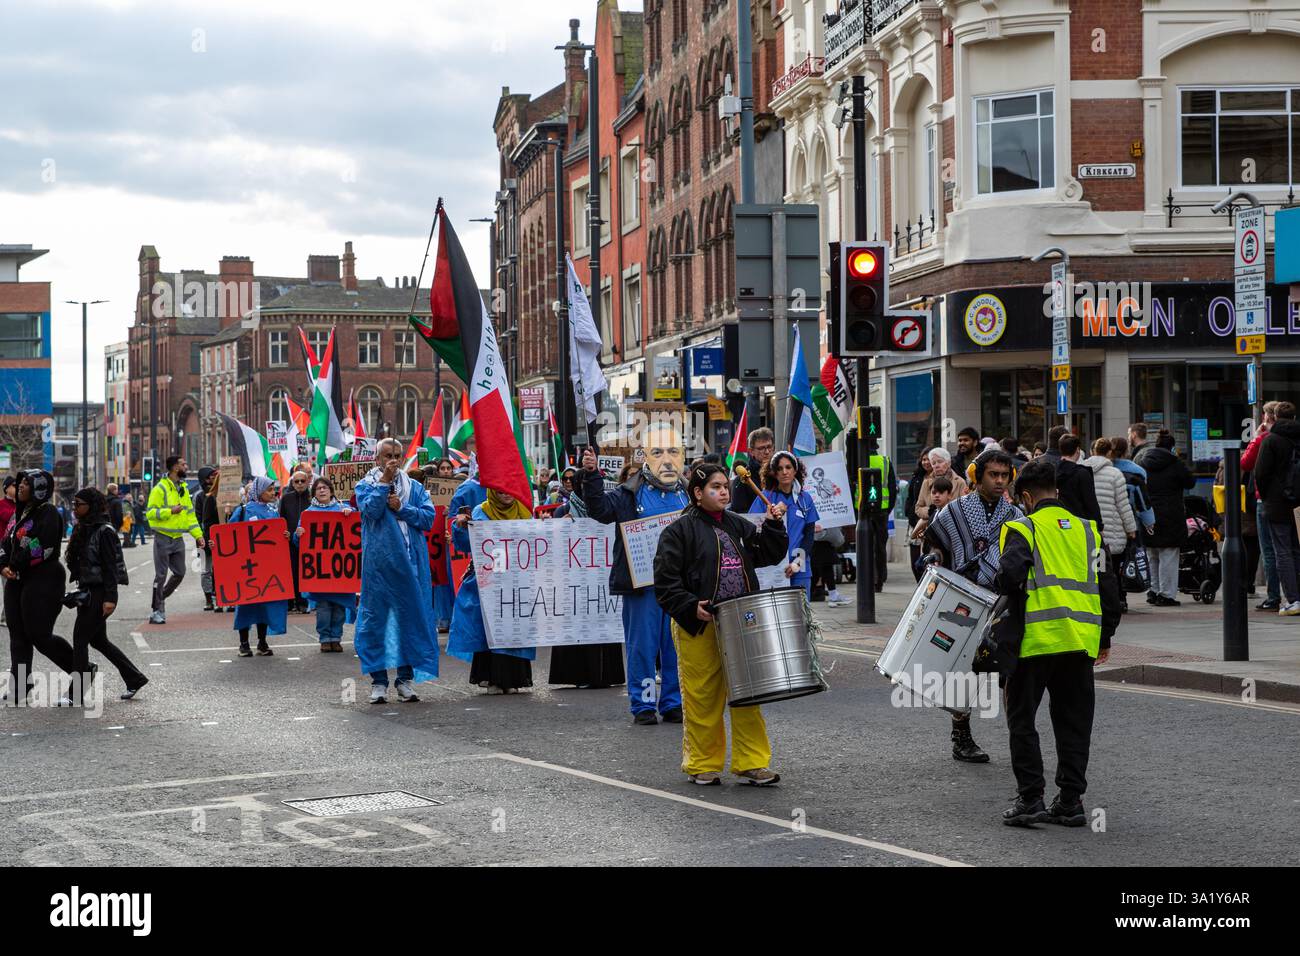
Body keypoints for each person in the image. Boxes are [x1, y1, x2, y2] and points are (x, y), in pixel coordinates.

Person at [988, 457, 1119, 827]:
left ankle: (1031, 798)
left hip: (1035, 642)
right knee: (1074, 723)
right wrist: (1105, 635)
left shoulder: (1023, 528)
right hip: (1080, 642)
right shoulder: (1089, 530)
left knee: (1022, 721)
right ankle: (1071, 800)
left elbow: (1010, 575)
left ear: (1027, 497)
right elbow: (1109, 587)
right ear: (1057, 492)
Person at [654, 462, 789, 785]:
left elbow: (768, 553)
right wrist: (689, 606)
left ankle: (752, 762)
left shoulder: (737, 525)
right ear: (698, 494)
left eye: (725, 486)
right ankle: (702, 763)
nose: (723, 491)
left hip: (740, 622)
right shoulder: (679, 531)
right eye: (715, 487)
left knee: (747, 693)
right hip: (699, 624)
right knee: (702, 695)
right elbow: (665, 579)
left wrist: (772, 525)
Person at [574, 424, 686, 723]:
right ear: (645, 456)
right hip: (643, 587)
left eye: (672, 452)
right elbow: (599, 511)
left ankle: (673, 702)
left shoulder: (688, 493)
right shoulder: (629, 492)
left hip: (679, 586)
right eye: (658, 452)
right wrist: (592, 474)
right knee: (643, 647)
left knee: (676, 647)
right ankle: (644, 704)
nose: (666, 459)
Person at [921, 449, 1021, 763]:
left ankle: (1019, 736)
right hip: (963, 600)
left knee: (1009, 670)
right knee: (965, 670)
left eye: (1005, 475)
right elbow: (935, 543)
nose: (1000, 481)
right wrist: (935, 558)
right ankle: (961, 737)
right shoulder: (955, 511)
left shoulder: (1015, 515)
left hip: (1001, 600)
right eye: (994, 475)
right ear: (977, 476)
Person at [354, 437, 439, 703]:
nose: (393, 460)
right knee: (377, 623)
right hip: (380, 569)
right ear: (377, 458)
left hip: (412, 566)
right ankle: (378, 682)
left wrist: (402, 507)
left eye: (397, 455)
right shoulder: (365, 485)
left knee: (410, 621)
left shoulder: (414, 487)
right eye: (388, 455)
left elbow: (428, 518)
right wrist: (383, 485)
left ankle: (405, 680)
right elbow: (371, 510)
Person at [448, 487, 536, 692]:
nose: (507, 493)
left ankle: (514, 679)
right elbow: (465, 545)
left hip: (517, 581)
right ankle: (492, 678)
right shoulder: (480, 512)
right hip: (488, 582)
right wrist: (461, 527)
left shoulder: (525, 512)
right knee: (489, 627)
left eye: (509, 489)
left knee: (515, 627)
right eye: (500, 489)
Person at [1, 470, 77, 706]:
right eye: (19, 482)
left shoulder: (49, 513)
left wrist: (13, 563)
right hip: (16, 579)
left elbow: (41, 548)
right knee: (18, 634)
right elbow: (5, 542)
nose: (20, 486)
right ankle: (20, 685)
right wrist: (3, 565)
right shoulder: (18, 514)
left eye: (26, 483)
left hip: (44, 579)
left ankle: (82, 669)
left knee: (39, 635)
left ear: (39, 488)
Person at [65, 487, 147, 702]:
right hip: (89, 591)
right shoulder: (85, 528)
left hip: (100, 593)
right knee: (99, 641)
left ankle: (76, 693)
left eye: (79, 504)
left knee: (80, 639)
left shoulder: (105, 531)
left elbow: (111, 567)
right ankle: (134, 678)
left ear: (91, 506)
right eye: (73, 504)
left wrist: (111, 598)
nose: (74, 508)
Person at [228, 477, 289, 657]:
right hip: (247, 567)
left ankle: (262, 642)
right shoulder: (242, 511)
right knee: (246, 604)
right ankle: (244, 644)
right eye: (269, 490)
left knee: (264, 604)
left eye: (273, 490)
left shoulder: (273, 511)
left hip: (267, 567)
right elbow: (229, 535)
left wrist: (284, 535)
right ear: (259, 491)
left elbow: (277, 536)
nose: (273, 493)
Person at [294, 476, 355, 653]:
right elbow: (299, 544)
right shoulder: (308, 513)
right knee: (323, 608)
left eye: (325, 488)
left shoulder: (343, 509)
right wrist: (299, 534)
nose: (322, 491)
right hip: (319, 572)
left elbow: (354, 530)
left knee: (339, 607)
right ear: (314, 493)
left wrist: (349, 513)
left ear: (331, 491)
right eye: (318, 488)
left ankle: (336, 638)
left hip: (339, 572)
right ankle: (325, 638)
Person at [1135, 430, 1195, 606]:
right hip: (1171, 514)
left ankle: (1152, 591)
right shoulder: (1175, 463)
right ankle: (1166, 594)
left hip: (1149, 513)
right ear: (1172, 447)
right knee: (1168, 555)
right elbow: (1190, 482)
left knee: (1152, 553)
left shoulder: (1143, 462)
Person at [1252, 400, 1300, 615]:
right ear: (1294, 418)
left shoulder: (1271, 441)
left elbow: (1260, 474)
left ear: (1274, 417)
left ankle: (1293, 599)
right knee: (1297, 550)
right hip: (1298, 503)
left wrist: (1270, 495)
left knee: (1282, 552)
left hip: (1277, 504)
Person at [749, 451, 819, 598]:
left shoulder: (805, 499)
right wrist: (770, 518)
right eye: (779, 469)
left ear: (795, 470)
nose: (784, 472)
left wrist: (798, 563)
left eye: (788, 467)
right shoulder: (764, 498)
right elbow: (753, 530)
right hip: (772, 567)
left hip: (799, 566)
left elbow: (809, 535)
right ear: (774, 473)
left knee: (802, 614)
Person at [145, 456, 204, 624]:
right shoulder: (160, 489)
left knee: (180, 573)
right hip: (163, 537)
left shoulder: (183, 489)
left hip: (178, 539)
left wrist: (199, 536)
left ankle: (160, 597)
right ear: (173, 468)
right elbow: (150, 513)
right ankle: (157, 611)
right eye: (182, 464)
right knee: (161, 575)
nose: (186, 466)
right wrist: (169, 511)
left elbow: (191, 517)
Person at [1084, 438, 1138, 614]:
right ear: (1109, 453)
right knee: (1114, 568)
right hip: (1113, 531)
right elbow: (1123, 505)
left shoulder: (1082, 471)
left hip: (1092, 531)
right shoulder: (1115, 474)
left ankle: (1096, 598)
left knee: (1096, 567)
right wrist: (1131, 529)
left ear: (1092, 451)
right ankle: (1118, 599)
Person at [1241, 402, 1282, 611]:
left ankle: (1273, 596)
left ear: (1268, 417)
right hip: (1288, 499)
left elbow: (1245, 463)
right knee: (1288, 549)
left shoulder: (1265, 439)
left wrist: (1255, 437)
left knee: (1269, 550)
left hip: (1265, 500)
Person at [1052, 434, 1104, 530]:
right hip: (1080, 523)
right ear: (1077, 450)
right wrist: (1099, 525)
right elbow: (1090, 502)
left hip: (1058, 522)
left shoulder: (1052, 471)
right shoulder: (1082, 473)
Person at [279, 469, 313, 614]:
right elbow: (281, 519)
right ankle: (290, 601)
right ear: (292, 483)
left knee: (306, 572)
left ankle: (303, 602)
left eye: (302, 481)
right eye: (296, 481)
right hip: (290, 542)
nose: (299, 484)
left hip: (309, 542)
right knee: (291, 571)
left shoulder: (313, 498)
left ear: (308, 482)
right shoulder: (286, 499)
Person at [915, 448, 968, 529]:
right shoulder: (926, 482)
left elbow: (965, 508)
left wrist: (945, 512)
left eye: (940, 462)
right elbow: (918, 508)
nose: (936, 465)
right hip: (932, 529)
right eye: (933, 463)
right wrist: (931, 512)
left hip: (953, 528)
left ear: (948, 463)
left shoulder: (960, 482)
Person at [730, 427, 776, 513]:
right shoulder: (742, 481)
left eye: (769, 447)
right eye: (761, 448)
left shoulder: (781, 474)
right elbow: (740, 513)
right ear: (751, 451)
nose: (767, 452)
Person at [903, 449, 932, 581]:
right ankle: (919, 583)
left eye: (928, 459)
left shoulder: (939, 477)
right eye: (923, 459)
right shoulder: (917, 477)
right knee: (915, 561)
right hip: (915, 521)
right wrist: (909, 513)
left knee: (928, 557)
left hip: (931, 522)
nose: (926, 462)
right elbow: (910, 498)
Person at [192, 468, 217, 611]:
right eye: (213, 476)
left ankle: (220, 596)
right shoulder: (199, 496)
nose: (216, 477)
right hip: (203, 538)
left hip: (220, 537)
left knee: (220, 570)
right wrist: (202, 537)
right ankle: (209, 599)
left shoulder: (221, 494)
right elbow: (198, 519)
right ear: (206, 479)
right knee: (206, 570)